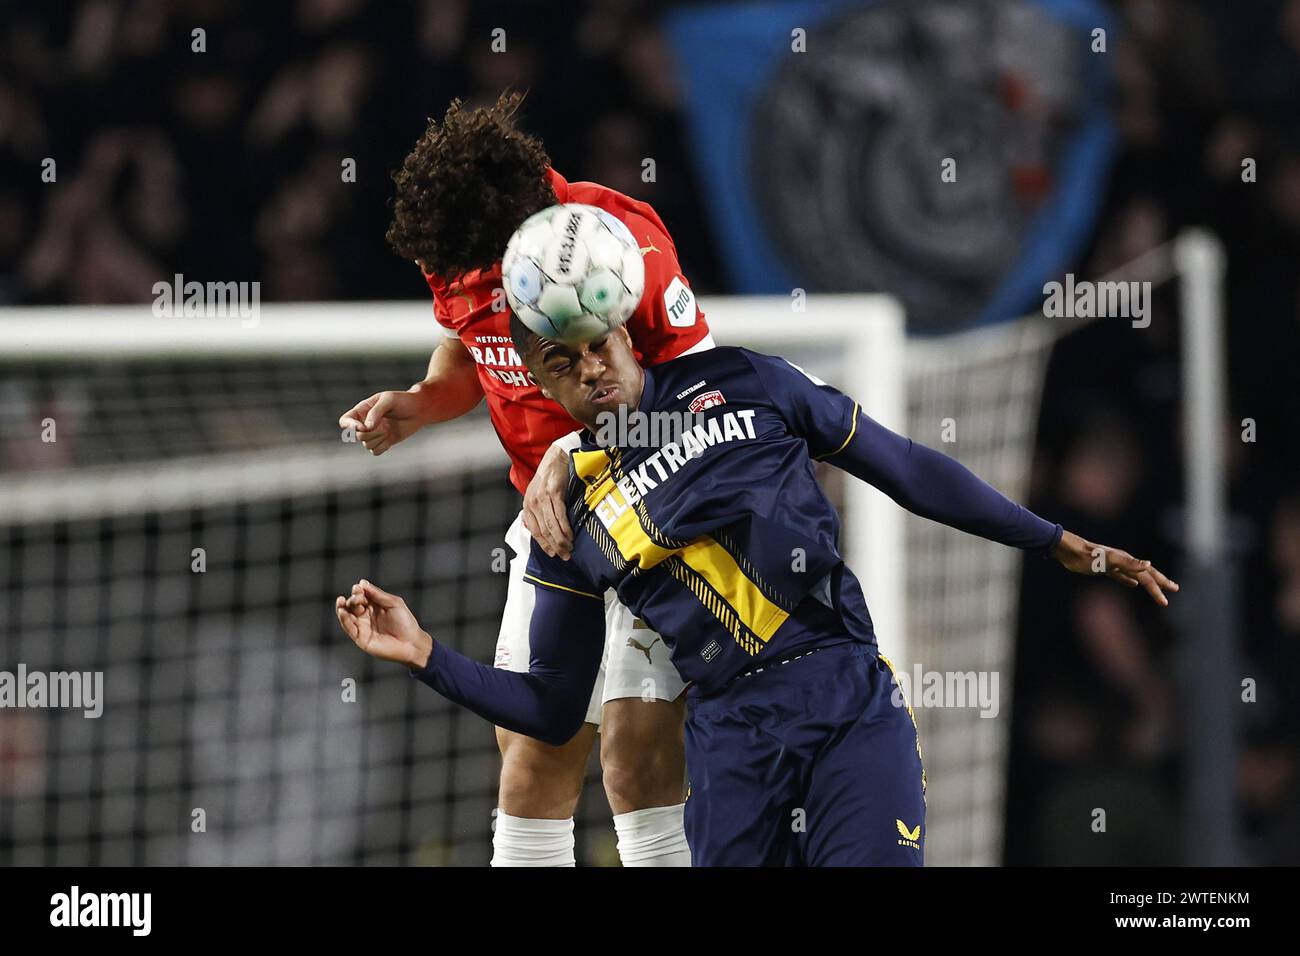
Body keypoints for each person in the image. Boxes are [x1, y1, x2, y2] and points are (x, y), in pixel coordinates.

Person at [336, 316, 1178, 865]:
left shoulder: (748, 381)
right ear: (544, 389)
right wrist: (425, 654)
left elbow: (907, 469)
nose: (592, 370)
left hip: (847, 698)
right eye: (564, 363)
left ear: (631, 337)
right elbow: (555, 708)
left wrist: (1057, 540)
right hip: (733, 739)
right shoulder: (569, 514)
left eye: (601, 345)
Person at [338, 92, 712, 866]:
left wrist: (572, 454)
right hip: (552, 533)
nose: (470, 279)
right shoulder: (460, 248)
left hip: (658, 519)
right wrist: (418, 405)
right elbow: (469, 357)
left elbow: (704, 414)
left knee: (635, 764)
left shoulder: (618, 244)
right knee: (533, 762)